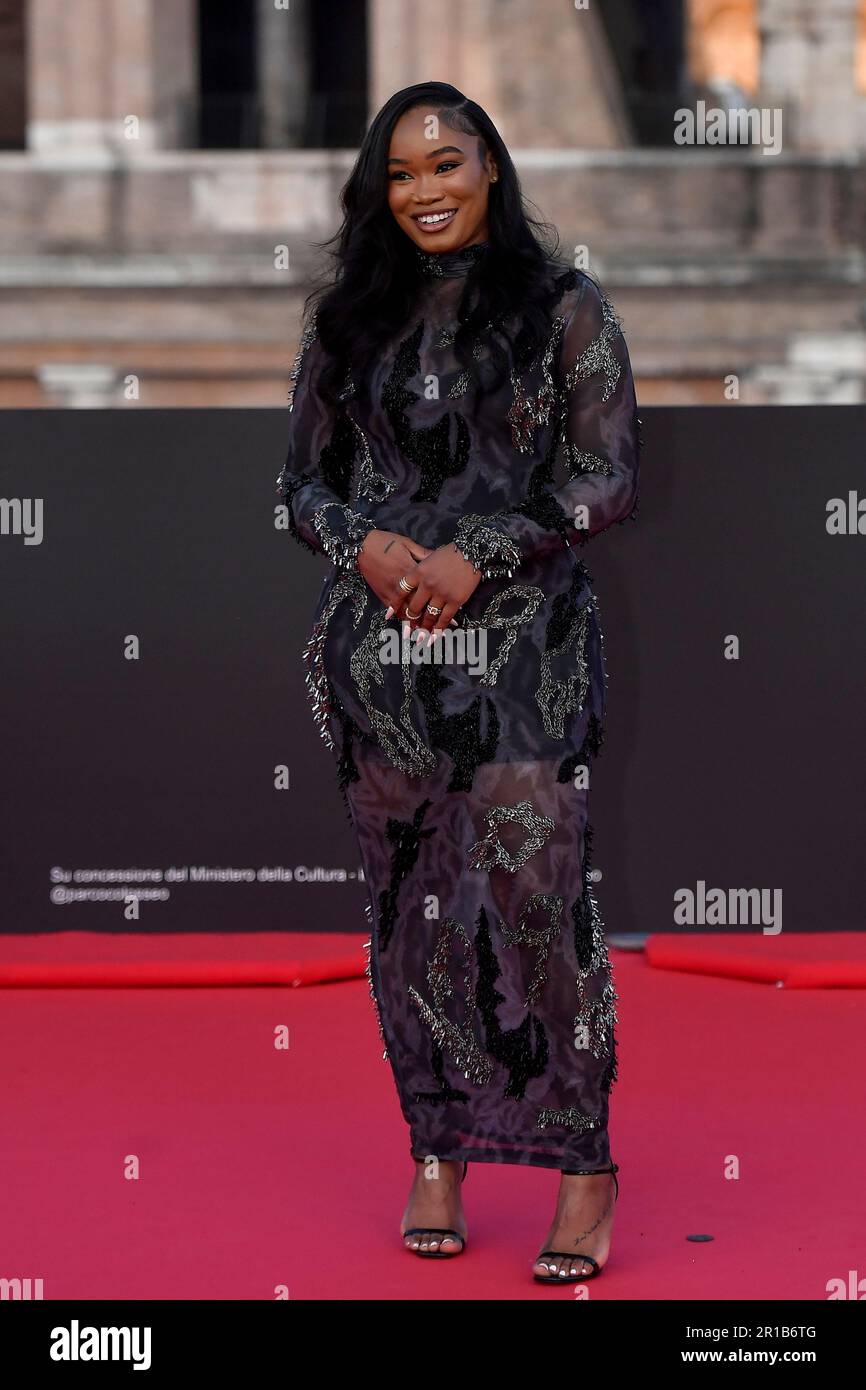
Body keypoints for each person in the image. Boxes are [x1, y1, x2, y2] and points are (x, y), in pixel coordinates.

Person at [276, 80, 641, 1283]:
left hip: (526, 650)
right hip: (380, 663)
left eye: (447, 163)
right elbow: (301, 490)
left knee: (538, 897)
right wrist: (368, 546)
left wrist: (472, 549)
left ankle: (581, 1163)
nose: (425, 189)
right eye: (401, 172)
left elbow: (602, 480)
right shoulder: (346, 322)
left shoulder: (562, 308)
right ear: (378, 191)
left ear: (490, 167)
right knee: (409, 909)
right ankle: (436, 1143)